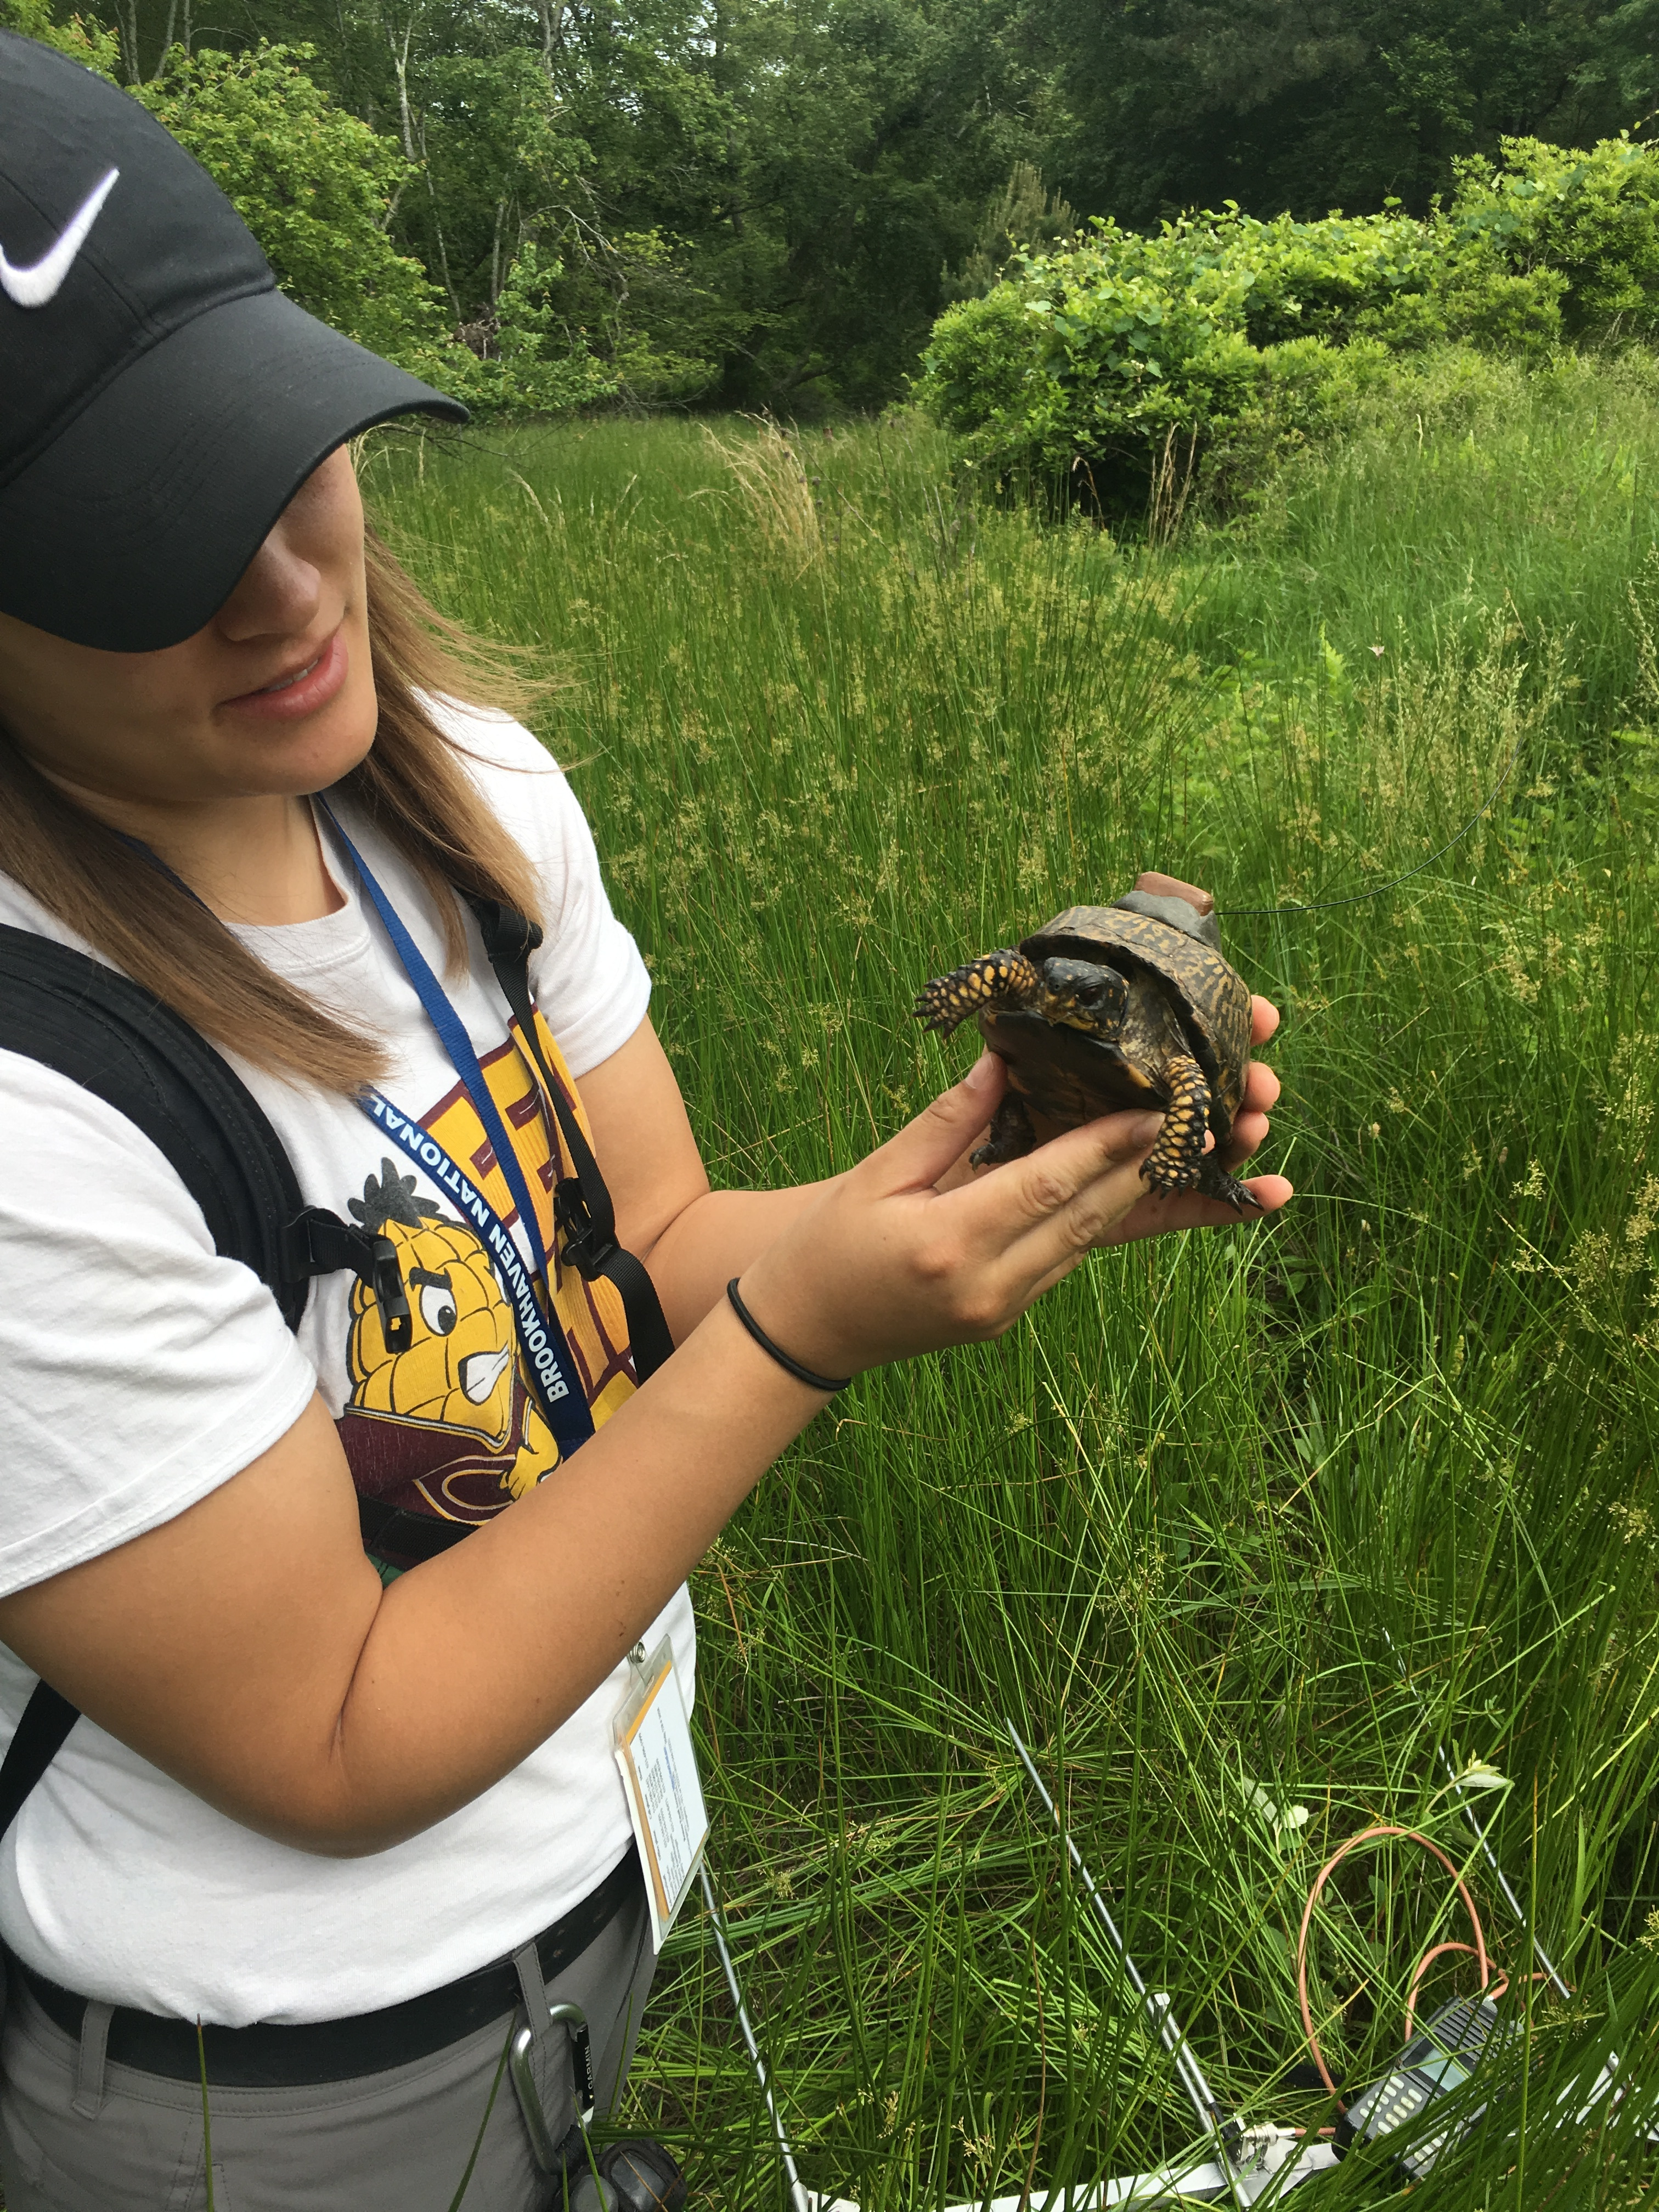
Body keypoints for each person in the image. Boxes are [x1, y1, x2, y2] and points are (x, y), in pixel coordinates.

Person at [0, 29, 1291, 2212]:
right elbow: (332, 1737)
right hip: (268, 2070)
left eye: (276, 454)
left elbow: (645, 1242)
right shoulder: (37, 1110)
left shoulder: (468, 799)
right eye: (146, 548)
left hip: (596, 1870)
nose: (290, 591)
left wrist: (972, 1177)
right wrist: (812, 1344)